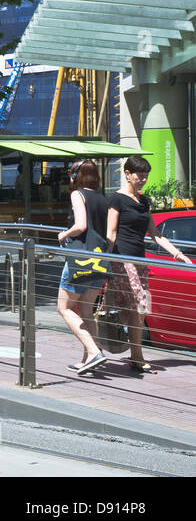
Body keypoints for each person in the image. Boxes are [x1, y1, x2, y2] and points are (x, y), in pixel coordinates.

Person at [105, 155, 191, 373]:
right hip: (122, 260)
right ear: (127, 174)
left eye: (145, 176)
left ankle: (135, 355)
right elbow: (111, 233)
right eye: (139, 175)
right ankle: (127, 355)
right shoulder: (117, 199)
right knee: (136, 304)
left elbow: (155, 234)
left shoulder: (143, 202)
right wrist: (106, 260)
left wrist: (178, 254)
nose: (143, 179)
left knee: (139, 308)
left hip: (139, 261)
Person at [55, 160, 110, 374]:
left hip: (80, 260)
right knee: (87, 310)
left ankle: (94, 351)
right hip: (99, 260)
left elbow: (81, 226)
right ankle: (89, 359)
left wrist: (64, 234)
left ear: (76, 175)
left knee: (64, 308)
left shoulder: (78, 195)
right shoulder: (102, 198)